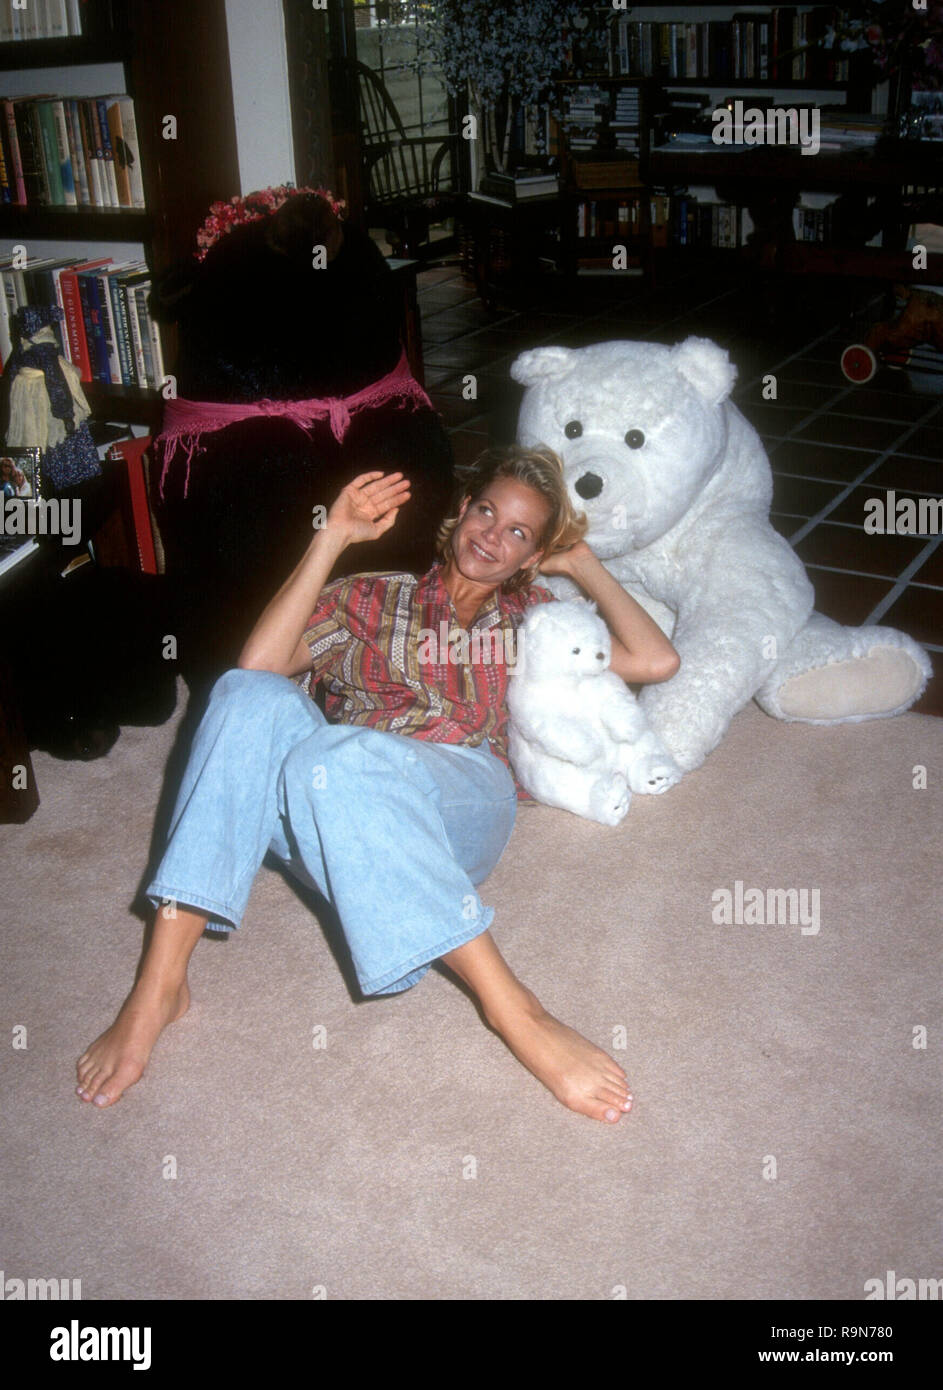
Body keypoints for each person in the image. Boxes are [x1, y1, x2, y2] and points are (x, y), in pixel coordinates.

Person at [76, 444, 679, 1123]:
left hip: (458, 801)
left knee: (338, 756)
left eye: (519, 532)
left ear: (532, 556)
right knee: (252, 700)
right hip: (332, 811)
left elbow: (654, 660)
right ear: (461, 511)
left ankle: (519, 1013)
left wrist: (579, 561)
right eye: (487, 511)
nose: (493, 535)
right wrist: (331, 538)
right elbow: (259, 665)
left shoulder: (535, 617)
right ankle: (160, 985)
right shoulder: (368, 595)